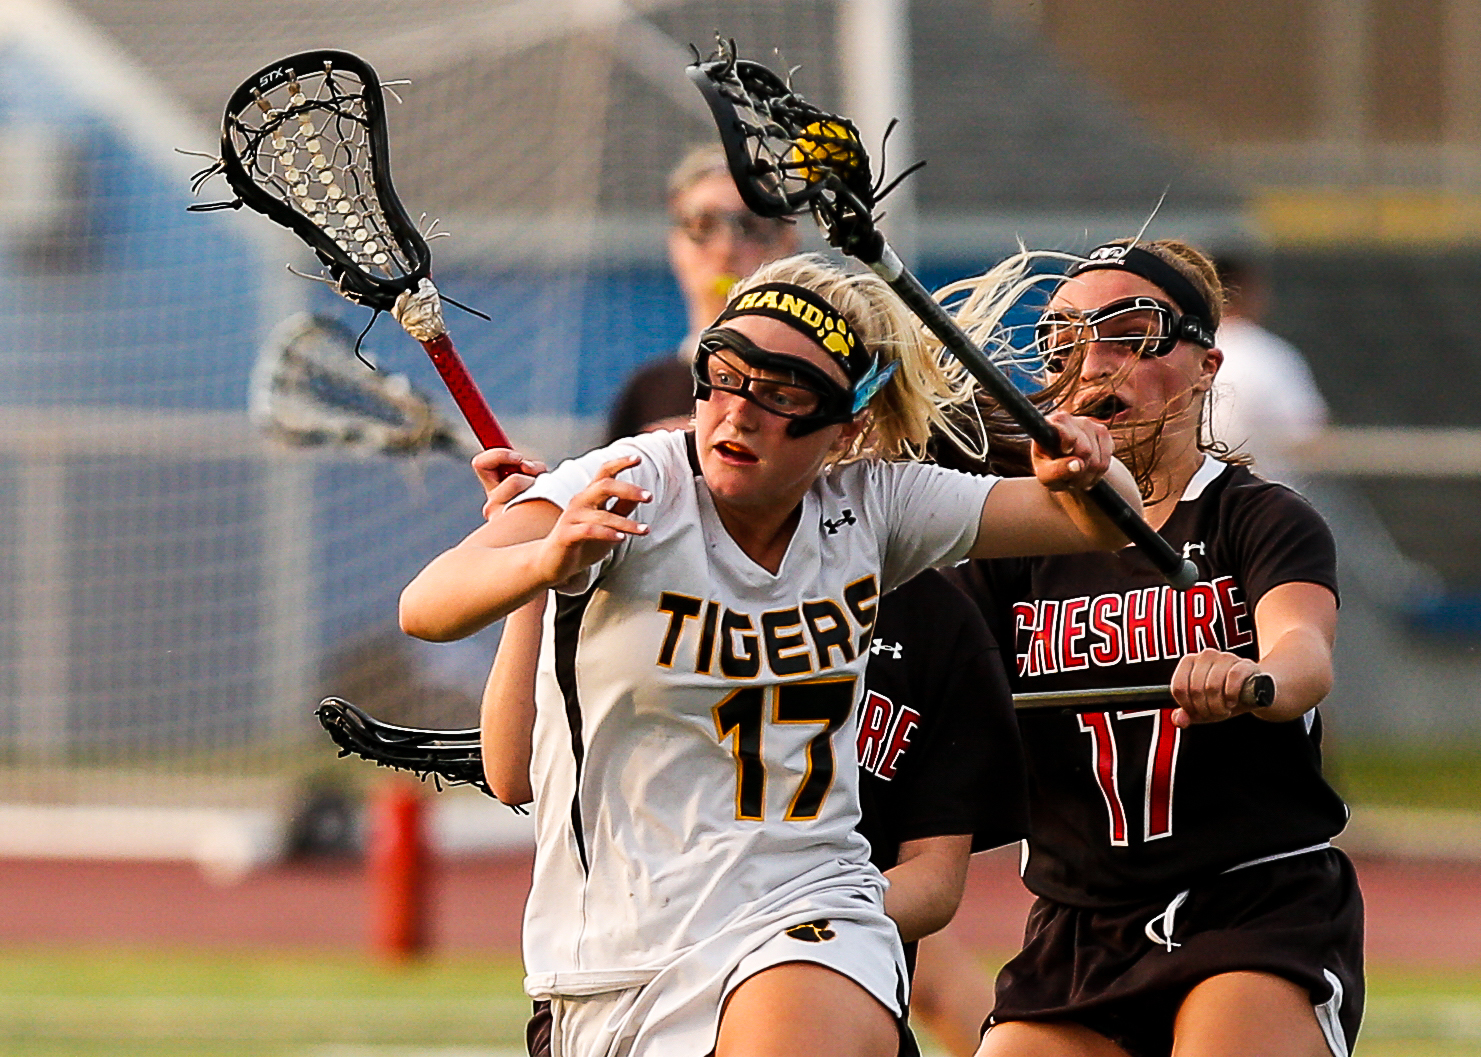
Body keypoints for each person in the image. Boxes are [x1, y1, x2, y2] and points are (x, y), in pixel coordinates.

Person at [400, 253, 1142, 1057]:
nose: (737, 415)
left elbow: (1098, 523)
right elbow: (428, 605)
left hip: (804, 919)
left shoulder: (874, 504)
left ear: (848, 424)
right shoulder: (636, 478)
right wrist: (543, 562)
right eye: (723, 377)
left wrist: (1084, 468)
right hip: (602, 960)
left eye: (782, 394)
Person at [942, 238, 1363, 1057]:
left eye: (1131, 333)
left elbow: (1303, 652)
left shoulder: (1257, 517)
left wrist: (1254, 675)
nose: (1094, 364)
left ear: (1205, 365)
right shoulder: (1006, 544)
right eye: (1065, 341)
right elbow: (934, 686)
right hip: (1076, 923)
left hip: (1249, 906)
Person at [471, 447, 1030, 1057]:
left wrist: (783, 917)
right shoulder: (619, 573)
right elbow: (512, 772)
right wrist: (528, 566)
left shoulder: (938, 624)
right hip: (614, 965)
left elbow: (935, 880)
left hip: (812, 954)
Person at [606, 145, 797, 441]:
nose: (726, 249)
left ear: (788, 241)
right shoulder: (647, 391)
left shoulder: (815, 382)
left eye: (751, 225)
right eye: (703, 225)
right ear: (675, 243)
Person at [1204, 254, 1328, 481]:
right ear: (1249, 290)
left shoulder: (1180, 350)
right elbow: (1308, 440)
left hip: (1188, 500)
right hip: (1261, 500)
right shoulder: (1269, 356)